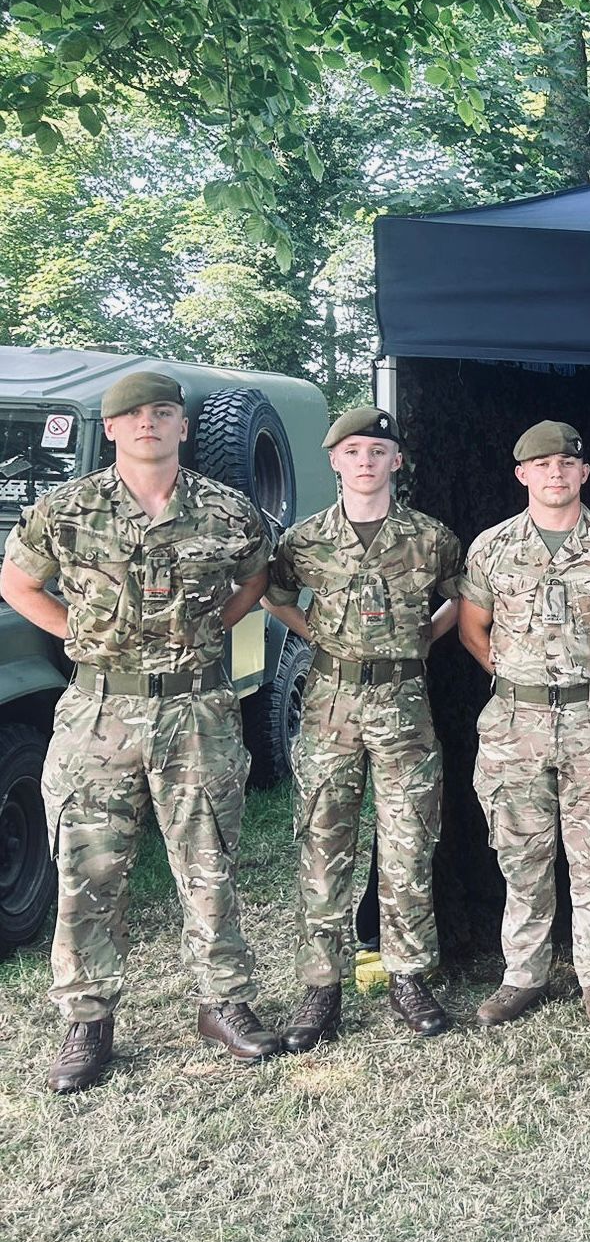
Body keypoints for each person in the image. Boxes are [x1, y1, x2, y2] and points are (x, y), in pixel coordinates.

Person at [1, 371, 280, 1093]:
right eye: (134, 415)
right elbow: (17, 583)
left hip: (198, 711)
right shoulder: (66, 509)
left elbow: (259, 578)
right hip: (100, 712)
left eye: (164, 413)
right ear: (114, 428)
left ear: (183, 427)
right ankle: (88, 1022)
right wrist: (75, 635)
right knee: (89, 869)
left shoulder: (227, 509)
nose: (149, 423)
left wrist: (217, 624)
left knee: (209, 860)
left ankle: (225, 1005)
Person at [262, 405, 464, 1048]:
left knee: (408, 843)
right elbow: (276, 595)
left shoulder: (430, 537)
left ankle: (409, 976)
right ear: (335, 461)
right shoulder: (304, 540)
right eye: (353, 451)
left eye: (378, 451)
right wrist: (320, 638)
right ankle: (322, 987)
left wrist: (421, 640)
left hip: (404, 704)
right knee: (323, 843)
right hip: (331, 704)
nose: (366, 461)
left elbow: (463, 599)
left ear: (396, 461)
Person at [458, 422, 590, 1029]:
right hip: (515, 724)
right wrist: (519, 680)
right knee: (523, 856)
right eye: (541, 465)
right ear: (522, 475)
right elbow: (472, 626)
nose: (555, 474)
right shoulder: (491, 547)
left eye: (566, 464)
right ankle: (523, 975)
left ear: (583, 472)